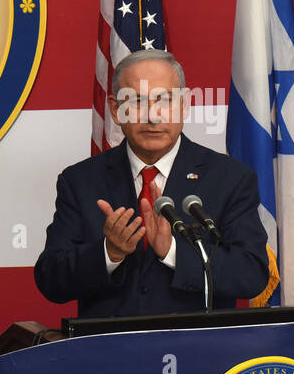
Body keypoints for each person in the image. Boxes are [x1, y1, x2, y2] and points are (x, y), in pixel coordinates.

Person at [35, 50, 269, 317]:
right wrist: (109, 252)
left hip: (199, 349)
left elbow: (251, 274)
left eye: (165, 100)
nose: (152, 117)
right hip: (109, 351)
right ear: (115, 110)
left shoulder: (230, 178)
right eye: (136, 102)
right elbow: (50, 279)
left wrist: (172, 251)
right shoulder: (80, 181)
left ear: (185, 104)